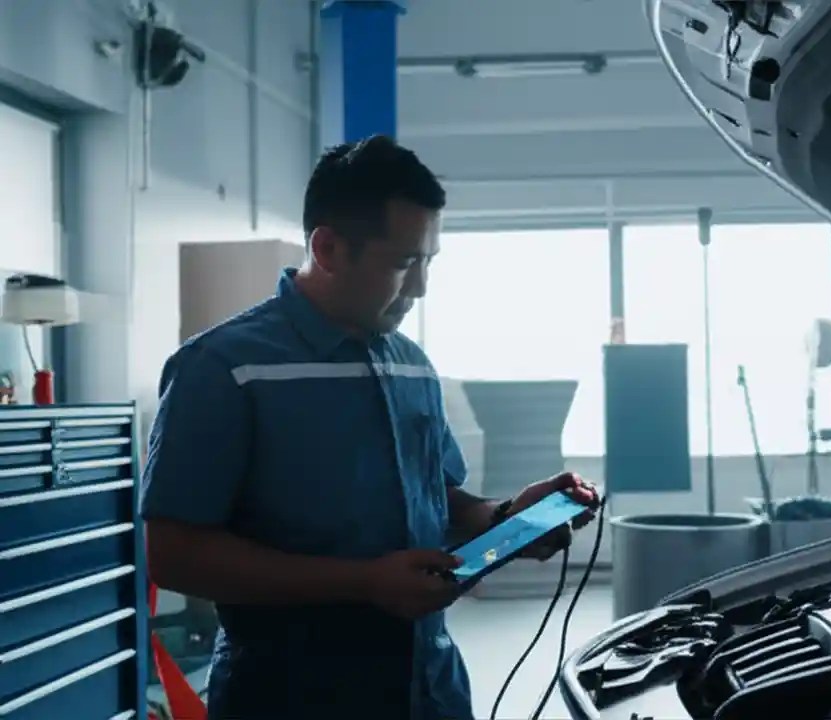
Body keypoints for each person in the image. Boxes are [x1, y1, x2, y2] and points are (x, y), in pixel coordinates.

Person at [140, 134, 598, 720]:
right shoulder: (224, 369)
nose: (421, 287)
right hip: (290, 699)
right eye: (405, 263)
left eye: (428, 262)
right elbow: (175, 555)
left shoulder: (412, 364)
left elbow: (436, 499)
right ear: (328, 248)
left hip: (430, 693)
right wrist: (363, 582)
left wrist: (506, 520)